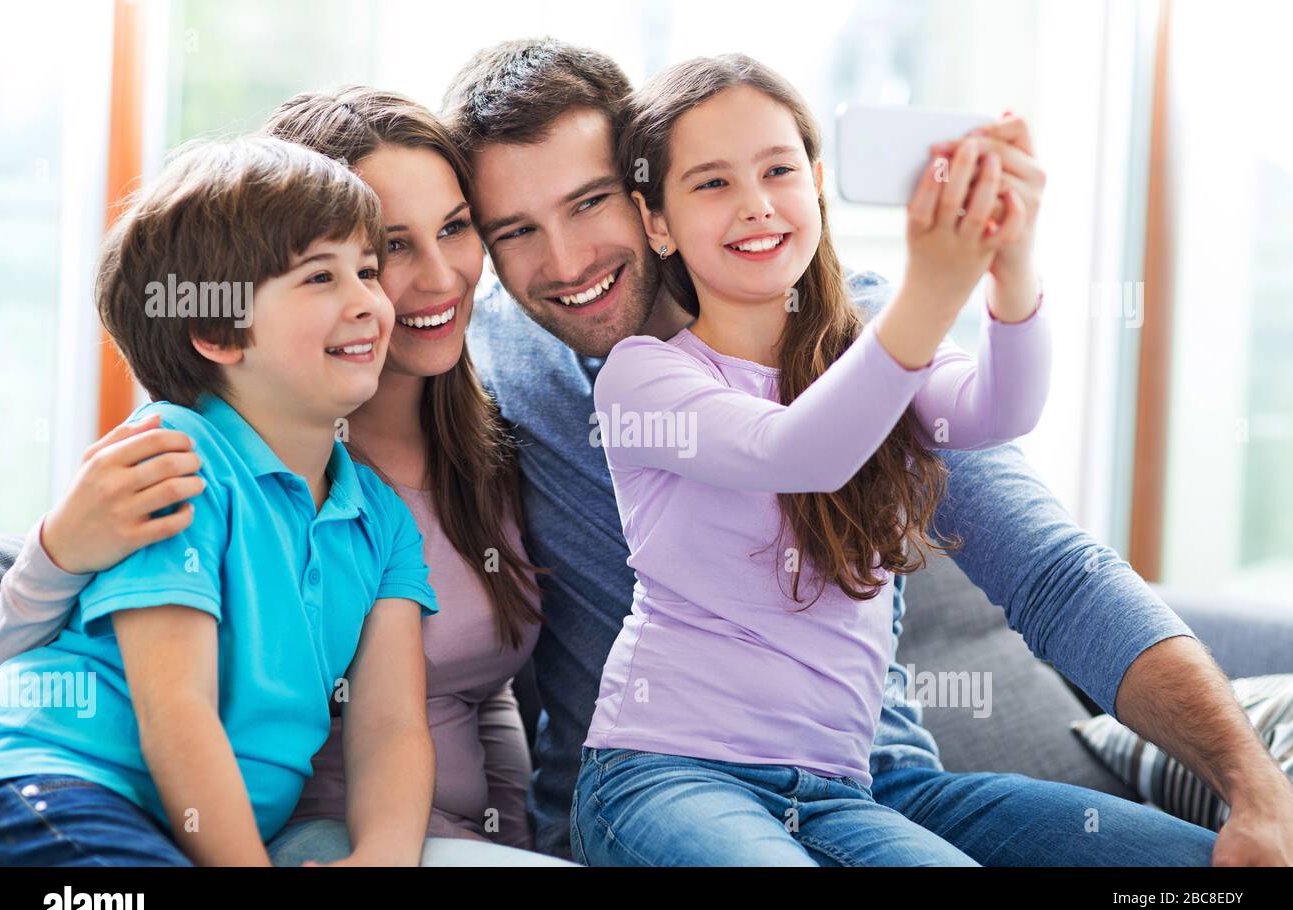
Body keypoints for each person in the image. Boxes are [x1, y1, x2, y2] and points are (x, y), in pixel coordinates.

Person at [442, 36, 1291, 865]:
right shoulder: (500, 369)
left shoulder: (873, 336)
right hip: (669, 786)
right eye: (513, 229)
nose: (565, 260)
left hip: (867, 786)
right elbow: (796, 449)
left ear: (643, 193)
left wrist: (1254, 786)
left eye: (590, 201)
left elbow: (1048, 553)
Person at [573, 52, 1050, 865]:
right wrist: (932, 288)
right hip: (664, 774)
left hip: (835, 791)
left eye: (777, 170)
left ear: (817, 181)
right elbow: (794, 450)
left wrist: (1009, 263)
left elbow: (1001, 410)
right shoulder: (645, 377)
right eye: (713, 183)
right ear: (658, 224)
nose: (756, 206)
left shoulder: (866, 360)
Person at [0, 137, 438, 865]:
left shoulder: (381, 520)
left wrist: (382, 856)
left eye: (365, 270)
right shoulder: (175, 457)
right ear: (216, 330)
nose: (367, 302)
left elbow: (389, 725)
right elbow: (179, 714)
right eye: (320, 278)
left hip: (209, 834)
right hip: (64, 782)